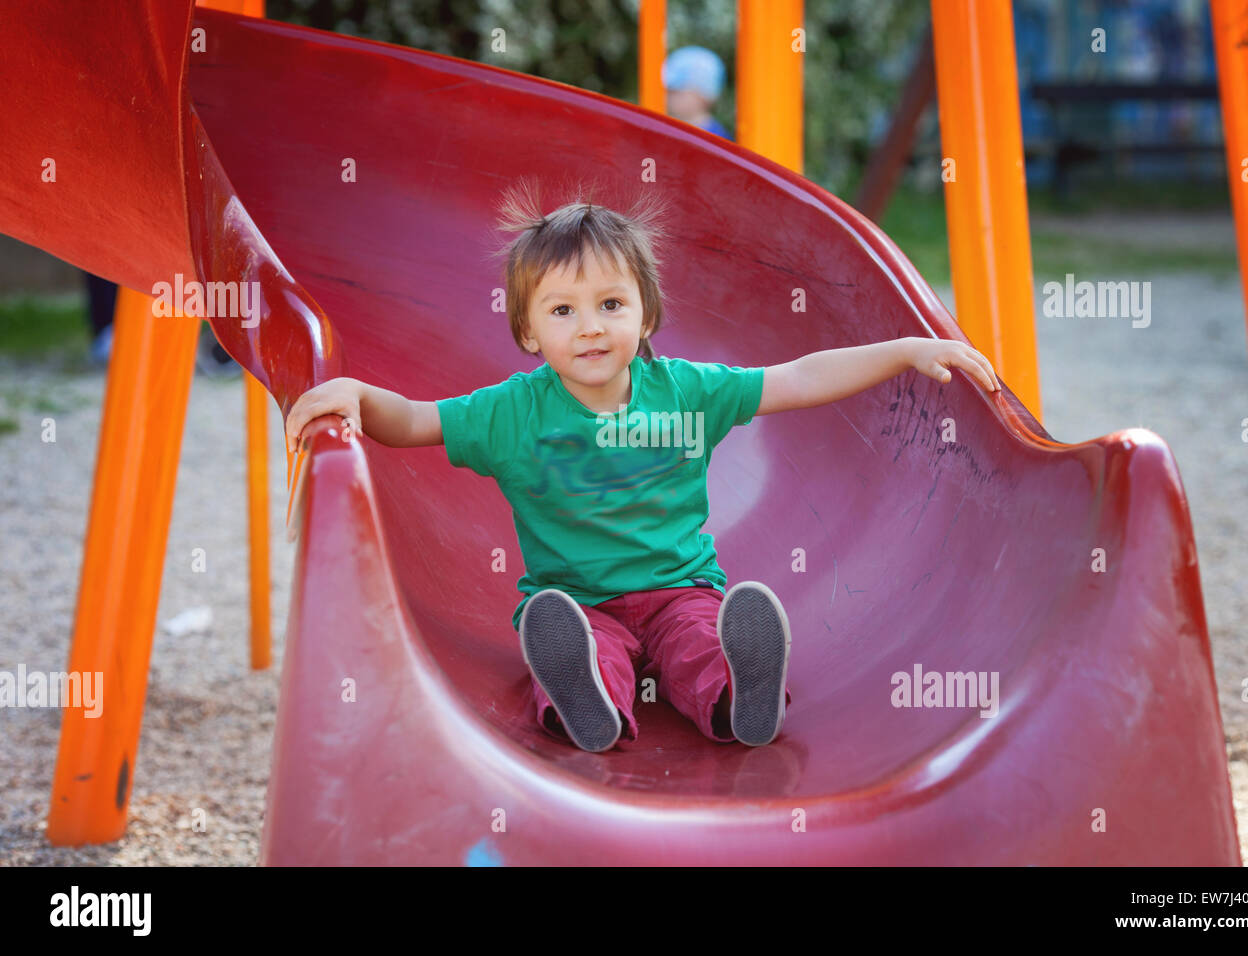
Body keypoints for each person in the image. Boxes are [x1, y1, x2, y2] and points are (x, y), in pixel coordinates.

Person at [284, 184, 1001, 753]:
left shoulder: (688, 391)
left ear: (646, 316)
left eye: (611, 304)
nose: (590, 325)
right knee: (576, 640)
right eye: (563, 310)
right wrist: (356, 393)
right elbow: (414, 421)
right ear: (529, 329)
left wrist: (905, 349)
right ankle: (587, 698)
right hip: (575, 598)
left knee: (700, 639)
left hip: (678, 587)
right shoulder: (511, 411)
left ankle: (737, 695)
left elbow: (799, 378)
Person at [663, 46, 732, 141]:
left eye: (678, 90)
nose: (669, 95)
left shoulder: (718, 141)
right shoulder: (667, 132)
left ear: (703, 95)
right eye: (669, 90)